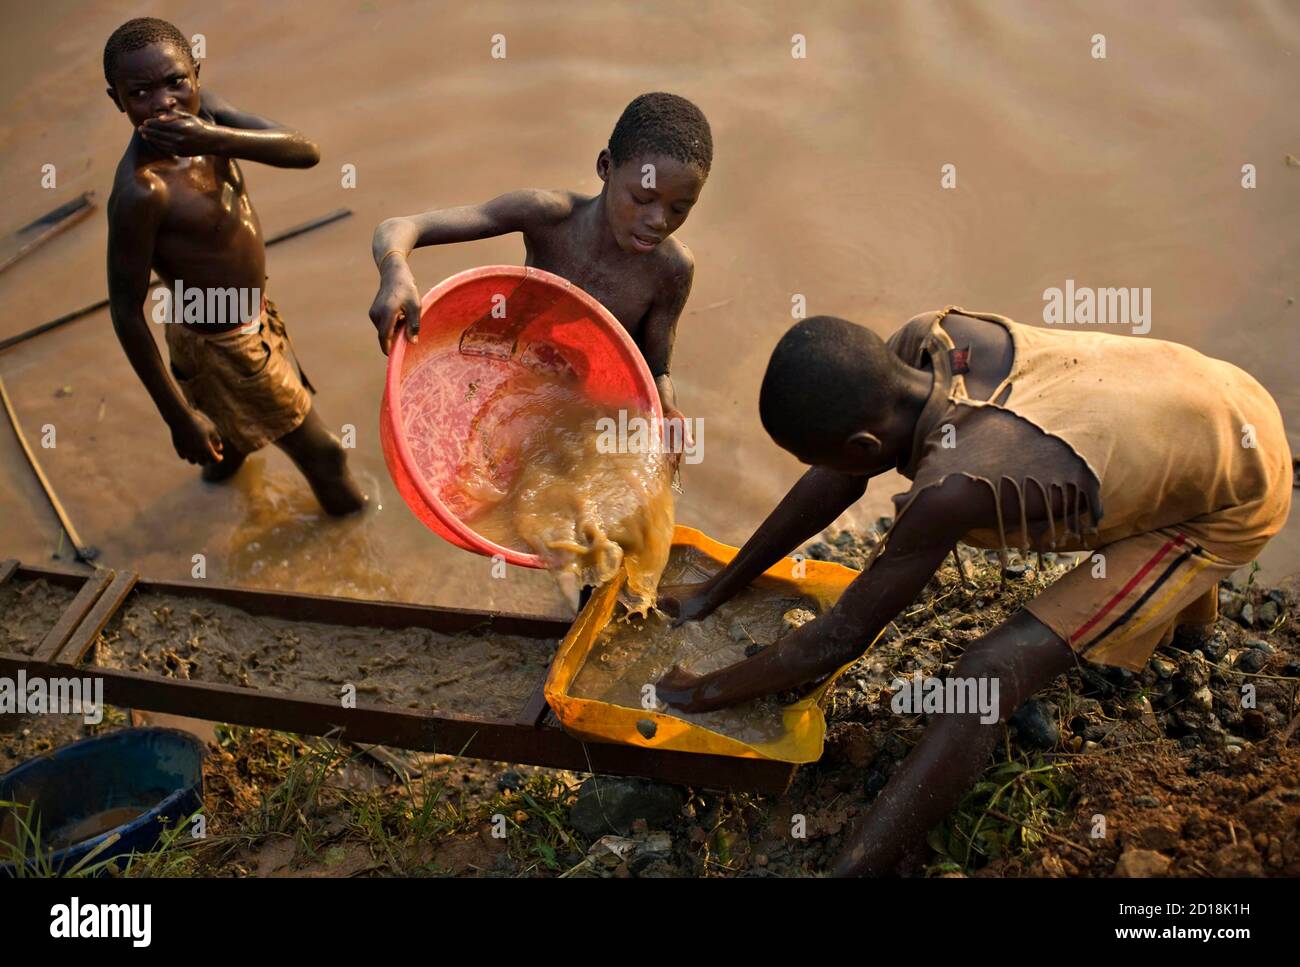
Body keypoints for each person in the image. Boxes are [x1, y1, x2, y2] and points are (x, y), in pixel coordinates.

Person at [655, 306, 1292, 875]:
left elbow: (843, 635)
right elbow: (839, 477)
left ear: (865, 445)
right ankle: (1191, 626)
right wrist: (718, 586)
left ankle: (866, 861)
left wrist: (700, 692)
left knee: (989, 671)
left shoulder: (958, 485)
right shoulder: (928, 338)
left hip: (1234, 497)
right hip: (1214, 395)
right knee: (1146, 478)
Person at [105, 17, 364, 515]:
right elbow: (125, 311)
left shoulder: (211, 116)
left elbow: (305, 151)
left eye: (177, 82)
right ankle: (366, 561)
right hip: (225, 344)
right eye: (140, 93)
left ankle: (208, 495)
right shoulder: (144, 190)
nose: (164, 103)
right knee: (327, 456)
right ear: (117, 100)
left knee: (234, 438)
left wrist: (213, 138)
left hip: (247, 316)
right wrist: (178, 418)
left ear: (196, 73)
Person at [367, 91, 712, 436]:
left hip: (580, 395)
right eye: (642, 198)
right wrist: (395, 269)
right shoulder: (548, 217)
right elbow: (398, 227)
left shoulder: (671, 269)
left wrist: (665, 409)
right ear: (606, 167)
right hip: (502, 355)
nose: (659, 221)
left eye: (680, 208)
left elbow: (655, 368)